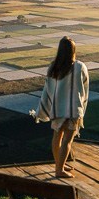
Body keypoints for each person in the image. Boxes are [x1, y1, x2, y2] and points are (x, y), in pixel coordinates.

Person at [33, 36, 89, 178]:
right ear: (73, 50)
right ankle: (59, 170)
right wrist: (81, 108)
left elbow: (48, 89)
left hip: (57, 109)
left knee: (57, 137)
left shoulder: (53, 67)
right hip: (72, 110)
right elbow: (84, 88)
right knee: (68, 140)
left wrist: (45, 107)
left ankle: (60, 165)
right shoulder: (79, 67)